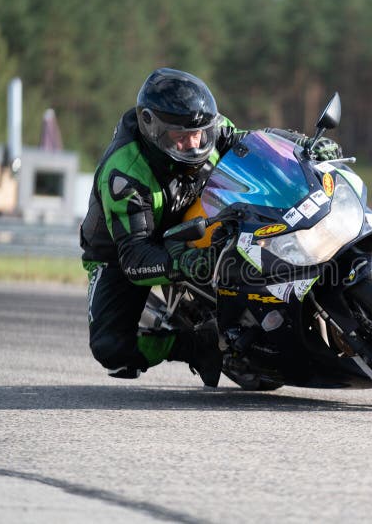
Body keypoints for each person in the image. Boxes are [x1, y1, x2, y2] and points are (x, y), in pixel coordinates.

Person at [79, 67, 341, 385]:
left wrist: (303, 147)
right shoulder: (125, 174)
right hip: (127, 248)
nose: (193, 143)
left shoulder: (207, 127)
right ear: (152, 127)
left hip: (194, 214)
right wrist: (185, 261)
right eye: (181, 137)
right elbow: (134, 259)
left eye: (199, 134)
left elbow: (254, 141)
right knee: (112, 348)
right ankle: (195, 345)